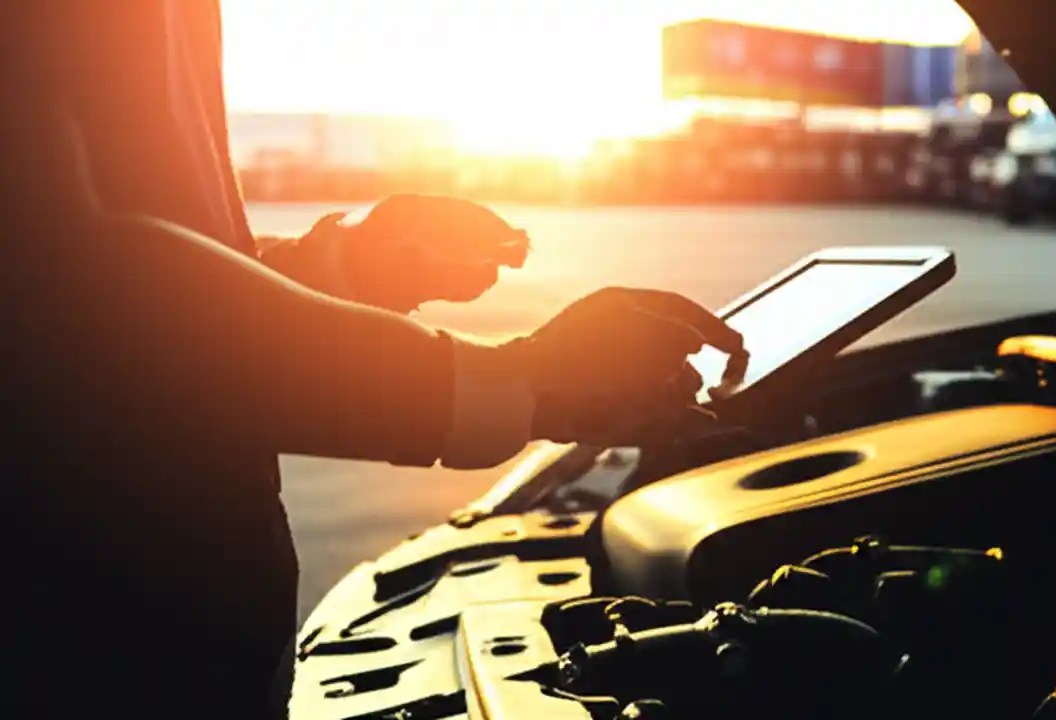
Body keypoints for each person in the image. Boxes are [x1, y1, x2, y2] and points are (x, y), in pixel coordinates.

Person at [3, 2, 745, 717]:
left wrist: (351, 267)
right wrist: (514, 382)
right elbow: (70, 290)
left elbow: (136, 247)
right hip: (79, 653)